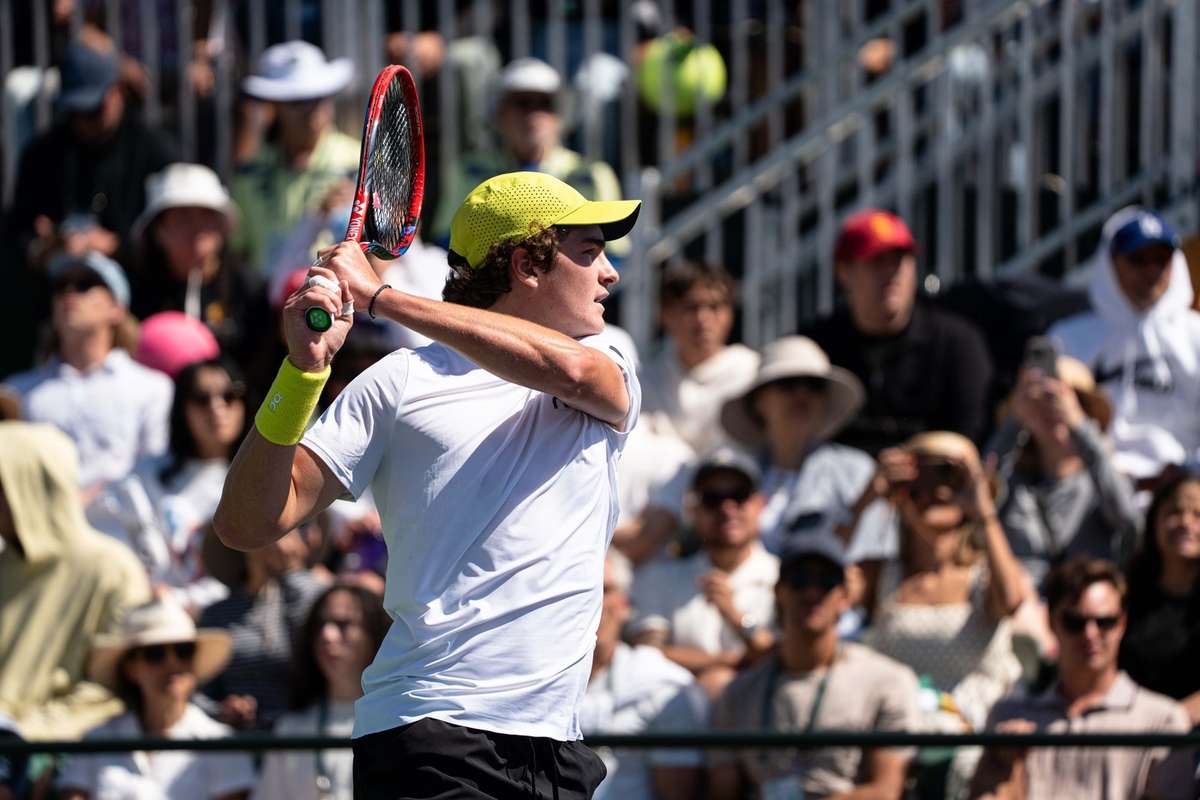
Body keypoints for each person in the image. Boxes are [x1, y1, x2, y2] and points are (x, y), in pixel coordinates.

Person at [213, 170, 640, 798]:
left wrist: (382, 298)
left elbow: (571, 372)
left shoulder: (607, 361)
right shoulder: (398, 381)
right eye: (588, 251)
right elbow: (246, 523)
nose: (610, 273)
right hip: (430, 734)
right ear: (527, 265)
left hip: (557, 747)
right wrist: (301, 375)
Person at [857, 432, 1026, 796]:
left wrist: (984, 509)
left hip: (972, 742)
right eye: (921, 479)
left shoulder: (986, 576)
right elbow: (816, 589)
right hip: (894, 743)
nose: (936, 491)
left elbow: (1012, 599)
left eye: (949, 477)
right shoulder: (881, 574)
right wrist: (867, 498)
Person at [709, 537, 919, 800]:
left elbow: (886, 792)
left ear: (844, 597)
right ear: (779, 592)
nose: (811, 592)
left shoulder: (888, 681)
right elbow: (722, 791)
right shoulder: (738, 693)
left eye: (825, 581)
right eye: (799, 580)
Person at [969, 557, 1195, 800]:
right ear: (1052, 622)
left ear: (1122, 624)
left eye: (1105, 622)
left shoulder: (1163, 721)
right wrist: (1004, 766)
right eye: (1074, 622)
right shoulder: (1008, 717)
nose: (1090, 634)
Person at [0, 422, 151, 740]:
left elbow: (110, 688)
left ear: (32, 486)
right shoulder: (5, 565)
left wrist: (25, 732)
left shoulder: (113, 567)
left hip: (66, 759)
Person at [801, 209, 994, 455]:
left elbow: (969, 439)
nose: (891, 273)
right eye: (877, 261)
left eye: (900, 259)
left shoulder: (956, 343)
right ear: (844, 271)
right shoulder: (817, 347)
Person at [1049, 206, 1200, 483]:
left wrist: (1186, 473)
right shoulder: (1068, 338)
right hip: (1091, 485)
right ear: (1110, 263)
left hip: (1183, 489)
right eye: (1138, 260)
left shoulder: (1196, 334)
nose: (1152, 270)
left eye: (1161, 259)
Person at [2, 251, 173, 494]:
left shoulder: (153, 387)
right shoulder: (15, 392)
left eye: (85, 285)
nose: (69, 294)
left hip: (122, 530)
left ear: (117, 308)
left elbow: (152, 471)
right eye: (61, 287)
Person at [86, 357, 249, 613]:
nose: (217, 408)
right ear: (181, 409)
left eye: (230, 395)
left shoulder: (257, 482)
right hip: (148, 613)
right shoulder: (144, 476)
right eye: (201, 399)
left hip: (227, 619)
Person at [57, 599, 257, 800]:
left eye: (183, 651)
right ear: (130, 668)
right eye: (155, 654)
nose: (172, 664)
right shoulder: (97, 739)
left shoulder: (220, 742)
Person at [719, 334, 893, 562]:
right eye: (788, 384)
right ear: (758, 401)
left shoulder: (858, 472)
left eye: (814, 385)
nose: (802, 395)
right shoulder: (733, 471)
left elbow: (870, 558)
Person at [428, 58, 626, 257]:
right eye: (522, 103)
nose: (533, 114)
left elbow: (615, 252)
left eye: (545, 104)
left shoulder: (592, 173)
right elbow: (447, 242)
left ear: (560, 115)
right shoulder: (468, 168)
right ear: (499, 112)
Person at [5, 35, 177, 263]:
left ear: (118, 91)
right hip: (57, 285)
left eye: (95, 109)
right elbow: (18, 231)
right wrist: (41, 246)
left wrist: (116, 246)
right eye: (75, 111)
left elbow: (174, 242)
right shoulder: (43, 154)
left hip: (136, 286)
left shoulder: (154, 152)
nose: (85, 122)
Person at [629, 448, 779, 699]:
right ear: (693, 510)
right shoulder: (659, 577)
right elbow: (647, 653)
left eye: (738, 495)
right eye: (713, 498)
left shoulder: (787, 577)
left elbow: (786, 658)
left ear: (759, 504)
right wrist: (729, 662)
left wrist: (735, 616)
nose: (727, 508)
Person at [986, 355, 1140, 585]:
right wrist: (1015, 420)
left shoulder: (1102, 480)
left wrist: (1078, 424)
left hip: (1084, 613)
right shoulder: (1011, 481)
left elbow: (1128, 518)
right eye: (1042, 401)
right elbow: (977, 493)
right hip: (1022, 611)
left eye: (1064, 399)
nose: (1052, 409)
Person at [578, 553, 706, 800]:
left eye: (605, 589)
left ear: (625, 605)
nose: (594, 601)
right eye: (582, 588)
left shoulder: (662, 685)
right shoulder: (525, 680)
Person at [229, 41, 359, 278]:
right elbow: (238, 252)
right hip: (266, 304)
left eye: (320, 96)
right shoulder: (248, 175)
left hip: (339, 298)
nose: (313, 109)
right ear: (275, 107)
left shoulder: (361, 162)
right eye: (298, 101)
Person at [255, 583, 390, 800]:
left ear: (373, 633)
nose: (327, 635)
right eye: (320, 625)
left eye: (343, 624)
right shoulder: (290, 729)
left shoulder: (399, 723)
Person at [130, 163, 264, 362]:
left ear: (222, 225)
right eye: (182, 216)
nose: (196, 226)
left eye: (206, 214)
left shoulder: (246, 284)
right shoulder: (137, 289)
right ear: (158, 230)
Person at [198, 526, 327, 731]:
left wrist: (292, 569)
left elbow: (315, 631)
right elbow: (198, 690)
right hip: (237, 741)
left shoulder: (309, 594)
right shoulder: (217, 614)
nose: (275, 540)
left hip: (298, 735)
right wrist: (222, 710)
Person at [640, 260, 760, 456]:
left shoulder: (752, 372)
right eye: (691, 307)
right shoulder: (644, 380)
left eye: (714, 307)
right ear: (665, 314)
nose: (702, 319)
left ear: (730, 314)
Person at [1119, 474, 1200, 725]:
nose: (1186, 523)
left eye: (1198, 515)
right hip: (1126, 729)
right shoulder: (1125, 593)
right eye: (1175, 512)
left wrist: (1169, 722)